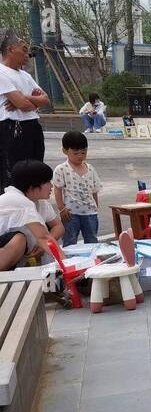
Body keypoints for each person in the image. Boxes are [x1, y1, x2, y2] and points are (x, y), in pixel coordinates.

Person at [0, 30, 50, 189]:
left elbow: (46, 100)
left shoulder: (25, 75)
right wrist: (29, 101)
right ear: (10, 50)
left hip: (32, 125)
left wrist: (24, 97)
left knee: (35, 170)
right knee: (13, 173)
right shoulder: (1, 72)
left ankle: (33, 205)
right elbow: (23, 105)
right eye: (23, 48)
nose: (27, 53)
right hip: (11, 127)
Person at [0, 160, 59, 270]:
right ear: (32, 186)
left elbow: (58, 227)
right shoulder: (18, 200)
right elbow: (44, 237)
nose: (51, 186)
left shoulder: (38, 202)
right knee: (19, 239)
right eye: (47, 182)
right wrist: (67, 266)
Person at [52, 131, 99, 245]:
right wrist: (61, 208)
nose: (80, 156)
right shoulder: (61, 169)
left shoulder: (90, 168)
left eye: (83, 152)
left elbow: (94, 190)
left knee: (92, 240)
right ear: (65, 151)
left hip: (90, 212)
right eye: (76, 153)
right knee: (69, 240)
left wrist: (96, 207)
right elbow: (57, 189)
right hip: (71, 213)